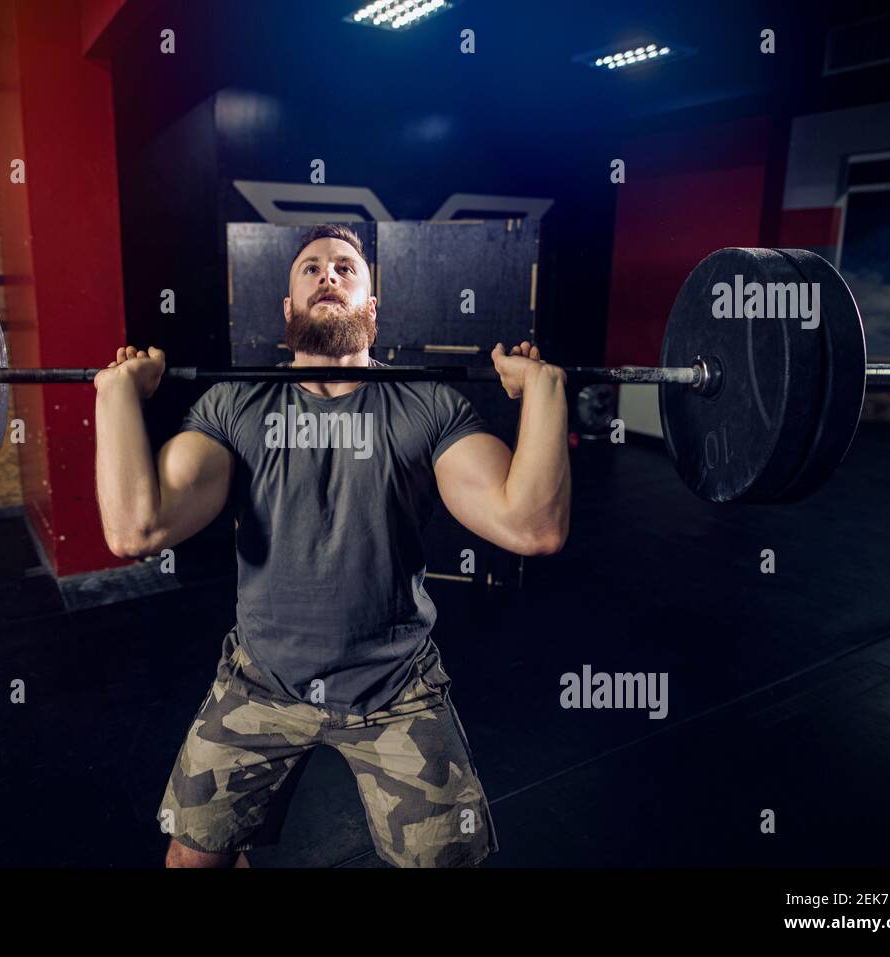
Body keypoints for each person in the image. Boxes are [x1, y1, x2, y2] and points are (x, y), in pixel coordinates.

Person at [93, 224, 570, 867]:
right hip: (262, 681)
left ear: (371, 310)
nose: (329, 276)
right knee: (193, 860)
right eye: (311, 268)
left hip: (394, 688)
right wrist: (115, 393)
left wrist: (544, 392)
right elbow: (137, 529)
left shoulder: (425, 404)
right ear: (288, 309)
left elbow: (532, 527)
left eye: (347, 268)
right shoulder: (235, 404)